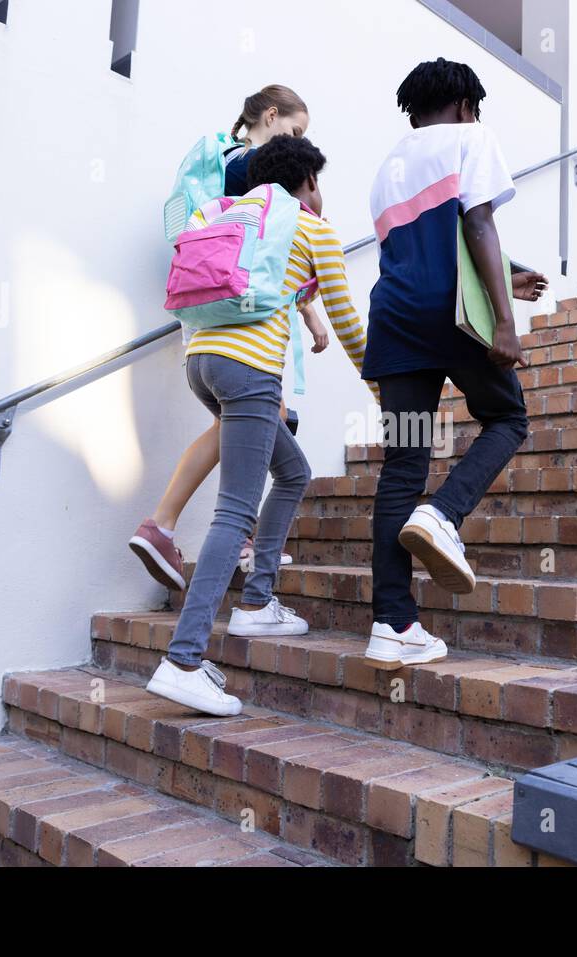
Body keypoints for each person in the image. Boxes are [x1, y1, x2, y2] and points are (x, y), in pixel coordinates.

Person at [147, 135, 375, 716]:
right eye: (320, 183)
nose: (322, 194)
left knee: (292, 471)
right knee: (234, 512)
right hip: (249, 372)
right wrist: (382, 386)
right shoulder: (310, 226)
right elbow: (348, 321)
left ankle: (257, 600)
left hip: (202, 362)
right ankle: (183, 660)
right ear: (308, 182)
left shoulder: (235, 211)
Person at [361, 58, 547, 670]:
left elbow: (429, 241)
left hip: (395, 325)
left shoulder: (386, 167)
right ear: (466, 104)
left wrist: (506, 278)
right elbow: (478, 222)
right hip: (452, 320)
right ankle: (443, 514)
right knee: (507, 418)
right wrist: (504, 319)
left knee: (402, 467)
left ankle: (393, 624)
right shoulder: (472, 137)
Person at [129, 84, 329, 591]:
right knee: (262, 417)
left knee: (246, 423)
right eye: (295, 130)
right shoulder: (255, 168)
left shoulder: (222, 164)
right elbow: (271, 247)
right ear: (269, 115)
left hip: (208, 317)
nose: (298, 144)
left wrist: (305, 313)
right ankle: (223, 532)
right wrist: (311, 310)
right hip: (245, 324)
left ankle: (167, 526)